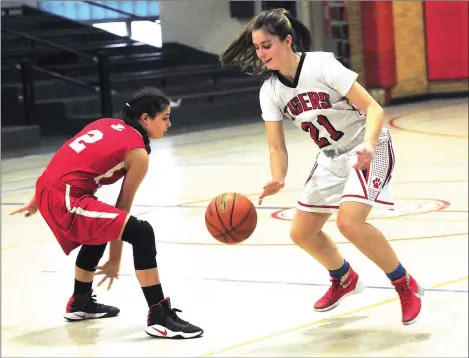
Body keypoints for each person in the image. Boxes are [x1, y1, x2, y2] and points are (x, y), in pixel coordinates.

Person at [220, 8, 424, 325]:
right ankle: (344, 278)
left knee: (349, 223)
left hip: (369, 145)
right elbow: (276, 145)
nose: (261, 53)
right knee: (301, 232)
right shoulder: (270, 91)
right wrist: (278, 177)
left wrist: (369, 145)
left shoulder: (321, 66)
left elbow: (373, 108)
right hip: (330, 156)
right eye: (258, 47)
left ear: (288, 41)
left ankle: (404, 283)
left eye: (267, 45)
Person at [10, 87, 204, 338]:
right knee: (142, 231)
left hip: (49, 187)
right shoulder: (139, 154)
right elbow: (123, 207)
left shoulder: (105, 124)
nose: (169, 123)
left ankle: (80, 302)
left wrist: (38, 197)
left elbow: (67, 155)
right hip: (65, 198)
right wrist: (114, 260)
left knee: (100, 221)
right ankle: (160, 315)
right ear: (145, 119)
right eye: (165, 117)